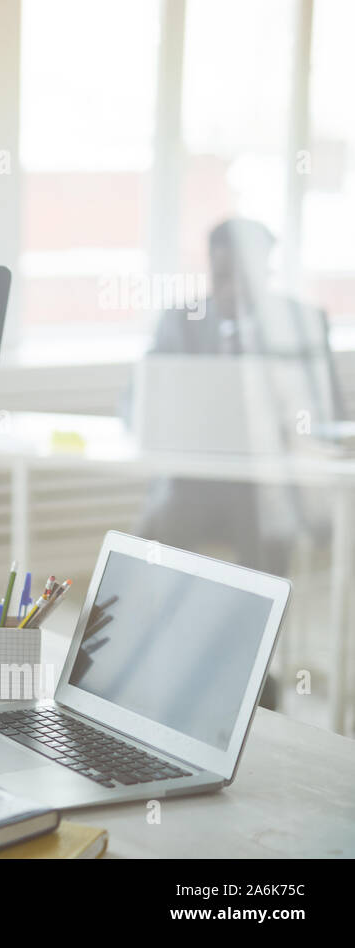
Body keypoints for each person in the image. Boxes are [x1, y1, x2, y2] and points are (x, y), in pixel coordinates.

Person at [130, 218, 344, 710]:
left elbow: (327, 405)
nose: (230, 288)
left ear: (266, 270)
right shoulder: (180, 320)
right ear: (209, 267)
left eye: (242, 276)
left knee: (268, 534)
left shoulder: (299, 321)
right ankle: (165, 665)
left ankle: (255, 675)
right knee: (148, 538)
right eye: (221, 275)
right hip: (192, 485)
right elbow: (136, 403)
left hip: (267, 485)